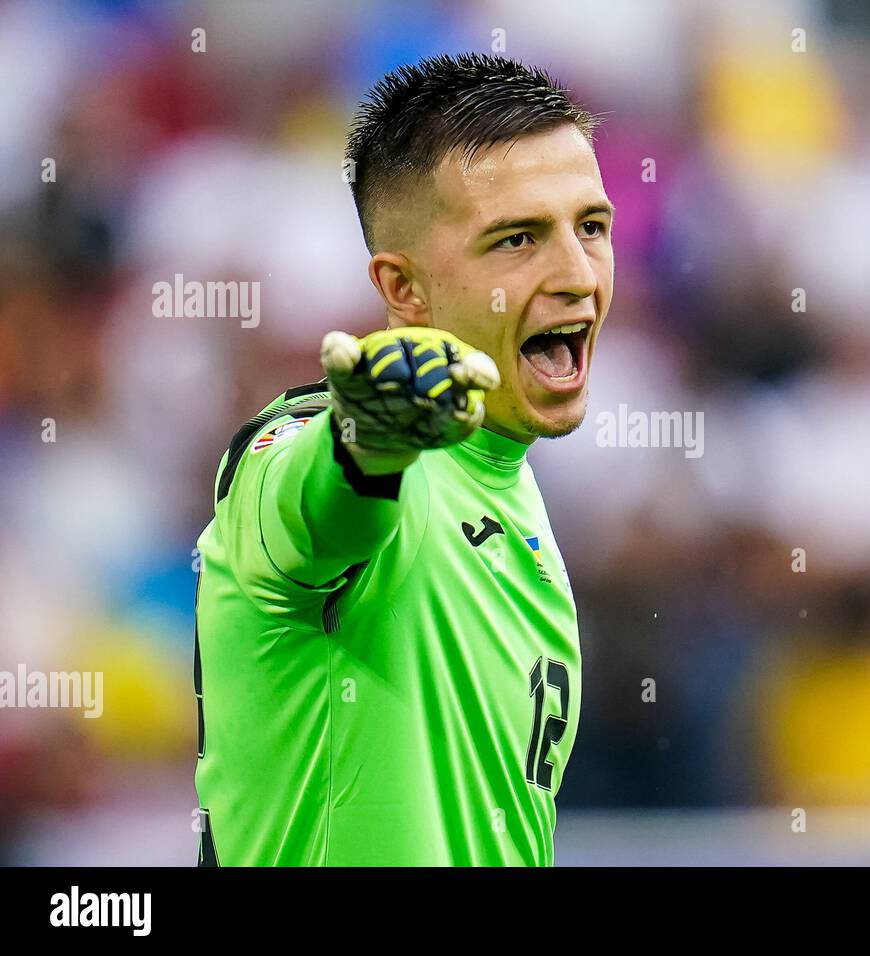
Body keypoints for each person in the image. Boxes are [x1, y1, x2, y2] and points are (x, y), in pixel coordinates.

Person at [192, 53, 614, 865]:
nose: (577, 275)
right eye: (518, 239)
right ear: (404, 287)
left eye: (590, 227)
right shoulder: (323, 440)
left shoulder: (508, 482)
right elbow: (319, 510)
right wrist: (370, 444)